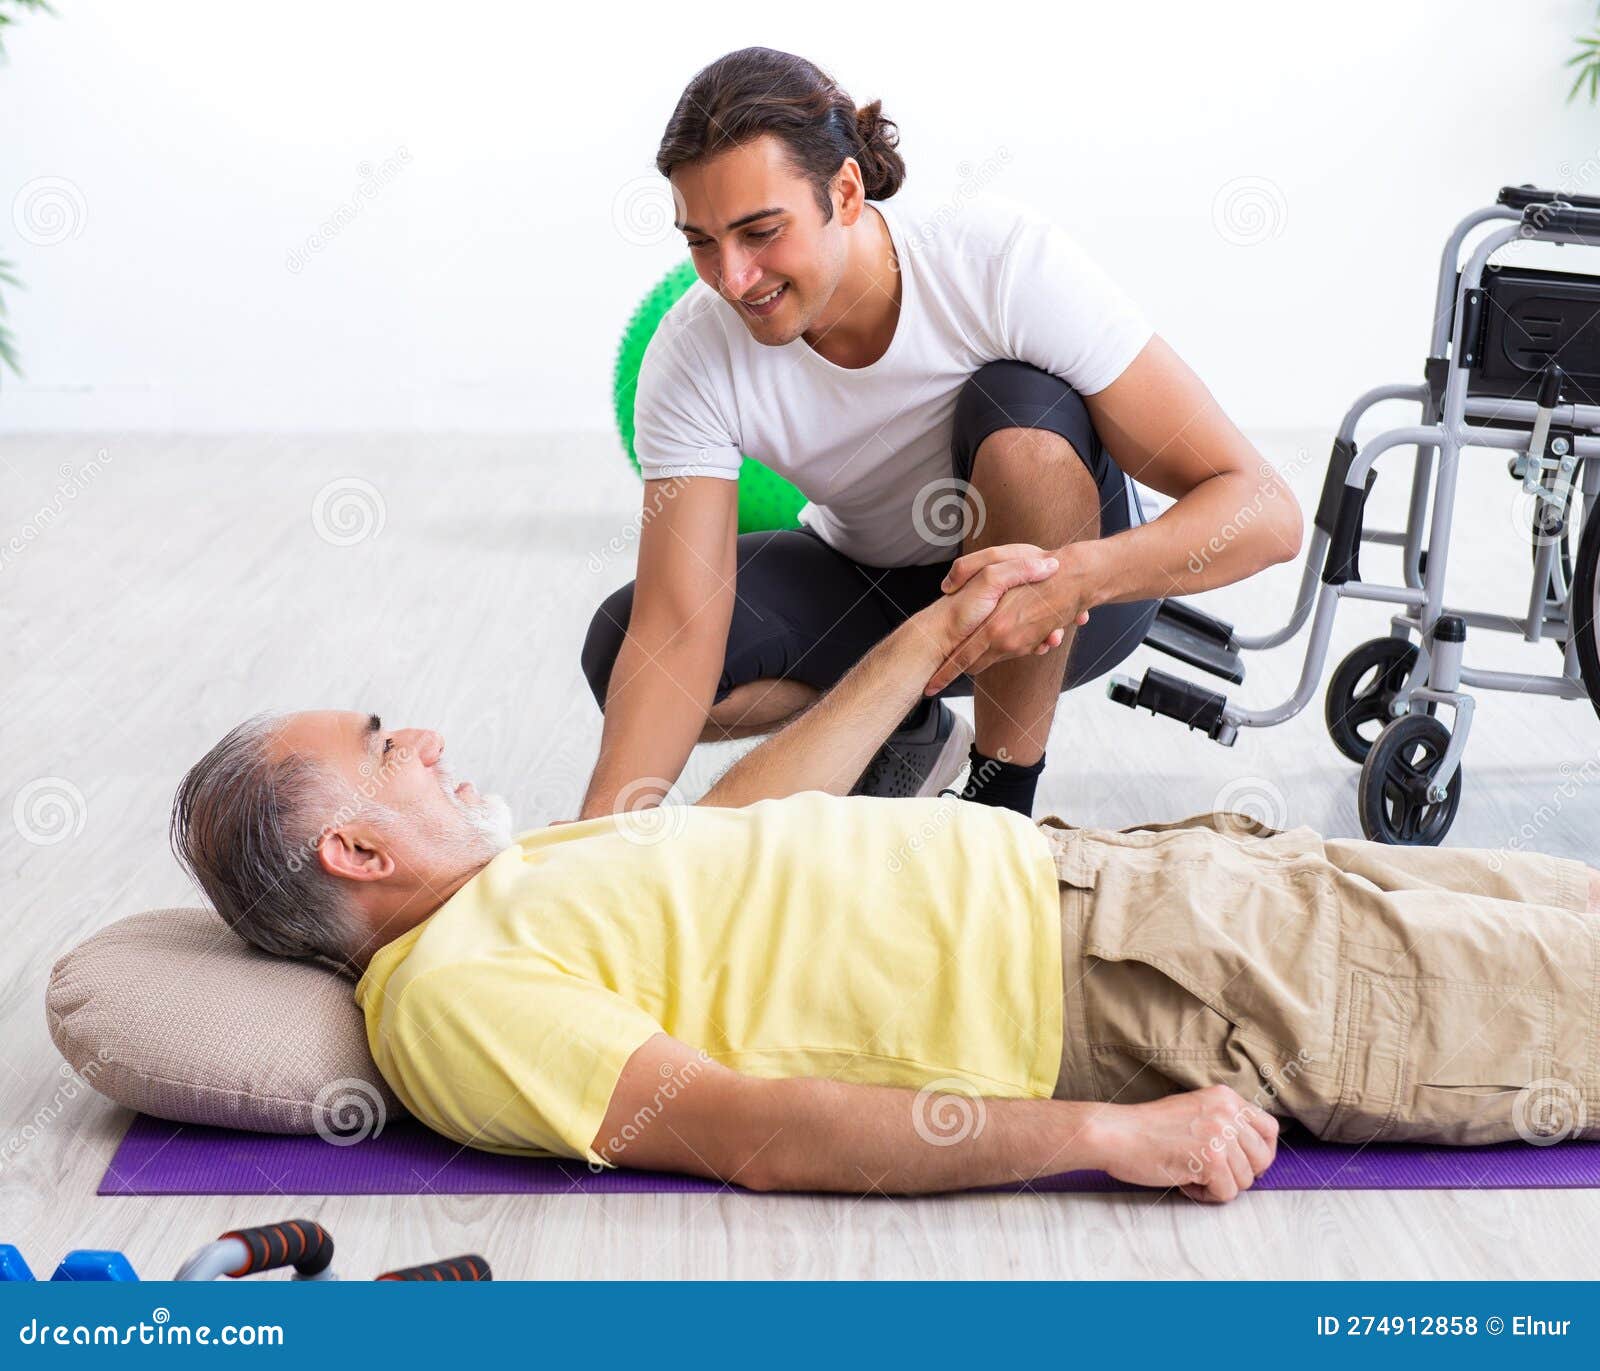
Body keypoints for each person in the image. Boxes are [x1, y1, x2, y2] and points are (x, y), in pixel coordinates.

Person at [171, 549, 1599, 1204]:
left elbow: (741, 820)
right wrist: (1111, 1137)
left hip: (1142, 886)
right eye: (381, 746)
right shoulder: (453, 997)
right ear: (356, 852)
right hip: (1135, 985)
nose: (421, 735)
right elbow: (757, 1131)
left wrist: (929, 645)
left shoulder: (510, 883)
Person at [579, 46, 1303, 819]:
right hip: (880, 586)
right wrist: (597, 844)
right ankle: (907, 729)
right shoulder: (692, 352)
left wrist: (1078, 578)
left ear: (846, 192)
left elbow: (1266, 510)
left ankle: (1001, 802)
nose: (732, 278)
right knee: (624, 646)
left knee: (1018, 404)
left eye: (760, 232)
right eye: (701, 242)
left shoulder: (998, 263)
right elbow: (680, 625)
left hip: (1072, 589)